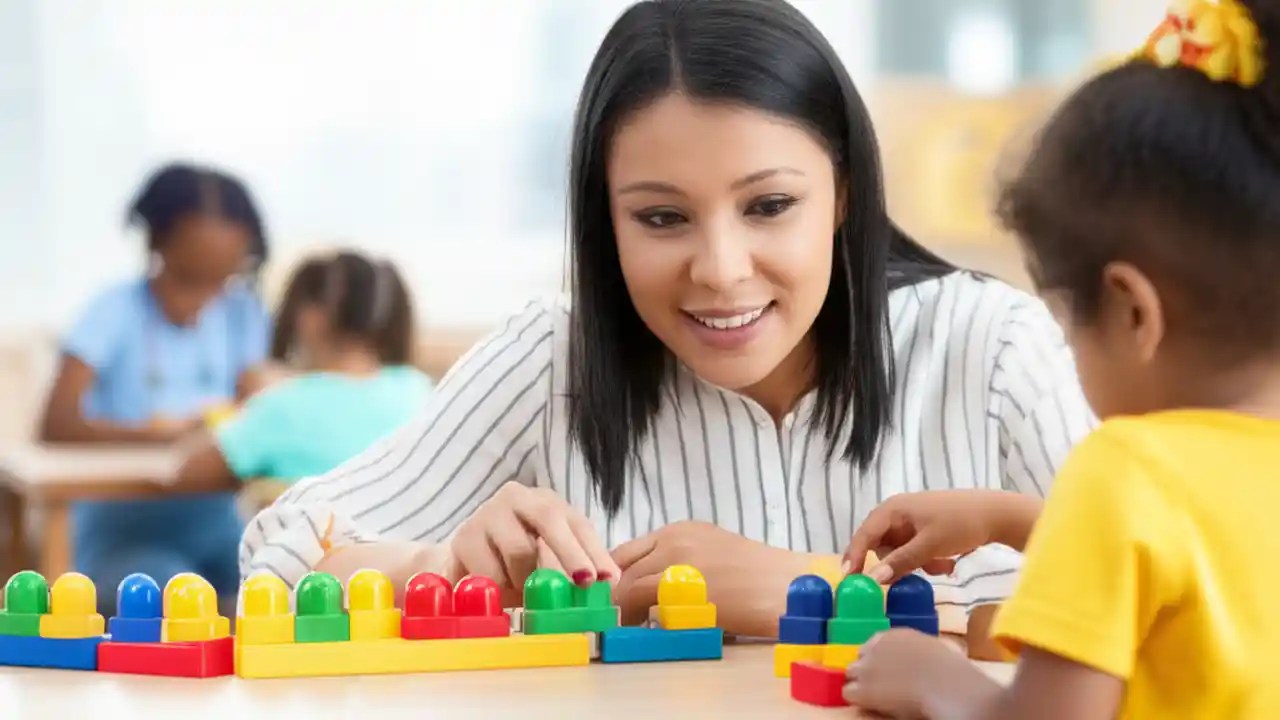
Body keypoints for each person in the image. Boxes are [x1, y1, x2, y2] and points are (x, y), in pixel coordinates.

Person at [241, 0, 1094, 639]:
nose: (720, 269)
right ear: (605, 219)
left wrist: (814, 592)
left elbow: (1160, 600)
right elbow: (277, 558)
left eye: (769, 205)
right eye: (661, 218)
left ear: (843, 192)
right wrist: (440, 566)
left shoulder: (992, 349)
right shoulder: (552, 359)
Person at [840, 0, 1280, 716]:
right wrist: (1013, 518)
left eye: (1066, 318)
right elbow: (1203, 558)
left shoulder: (1123, 470)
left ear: (1133, 313)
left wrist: (936, 681)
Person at [42, 162, 271, 610]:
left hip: (220, 530)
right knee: (177, 595)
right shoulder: (113, 310)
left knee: (281, 585)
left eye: (220, 281)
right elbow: (56, 424)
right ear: (155, 246)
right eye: (186, 278)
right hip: (122, 536)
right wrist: (160, 435)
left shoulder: (243, 314)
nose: (200, 300)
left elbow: (255, 410)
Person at [175, 251, 431, 487]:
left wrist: (241, 409)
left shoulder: (285, 405)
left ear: (313, 317)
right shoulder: (417, 390)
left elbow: (188, 473)